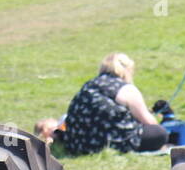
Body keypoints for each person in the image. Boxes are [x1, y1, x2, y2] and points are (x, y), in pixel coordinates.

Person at [34, 53, 168, 155]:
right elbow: (148, 121)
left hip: (79, 143)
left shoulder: (89, 85)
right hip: (109, 140)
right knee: (159, 133)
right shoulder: (125, 88)